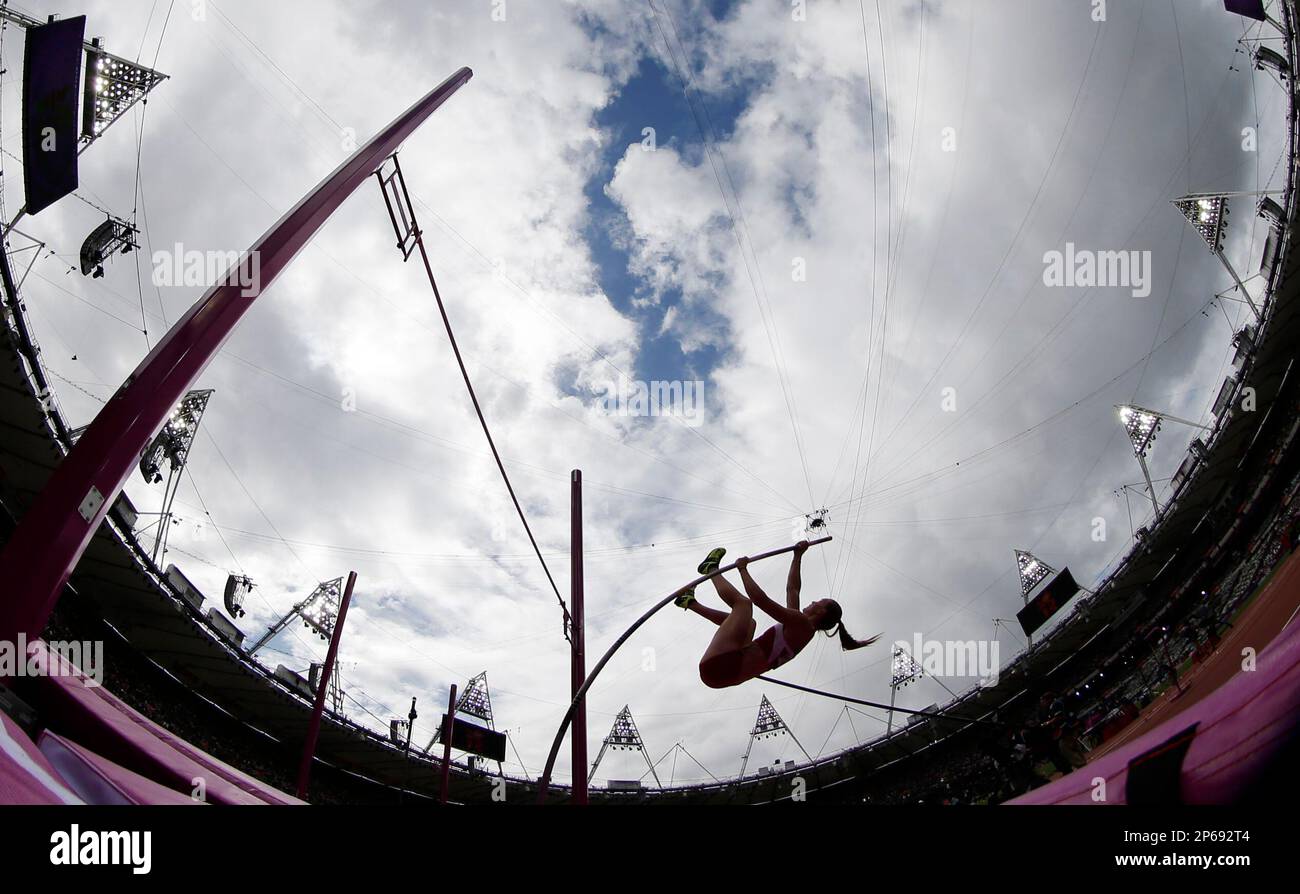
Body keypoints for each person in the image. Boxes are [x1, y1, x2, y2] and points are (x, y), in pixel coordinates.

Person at [676, 541, 880, 689]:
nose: (813, 602)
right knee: (749, 623)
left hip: (722, 665)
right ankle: (690, 603)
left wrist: (742, 570)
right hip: (725, 671)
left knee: (743, 605)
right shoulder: (801, 629)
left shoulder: (802, 624)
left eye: (818, 602)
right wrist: (797, 556)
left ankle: (710, 568)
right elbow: (793, 589)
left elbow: (759, 600)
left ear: (822, 612)